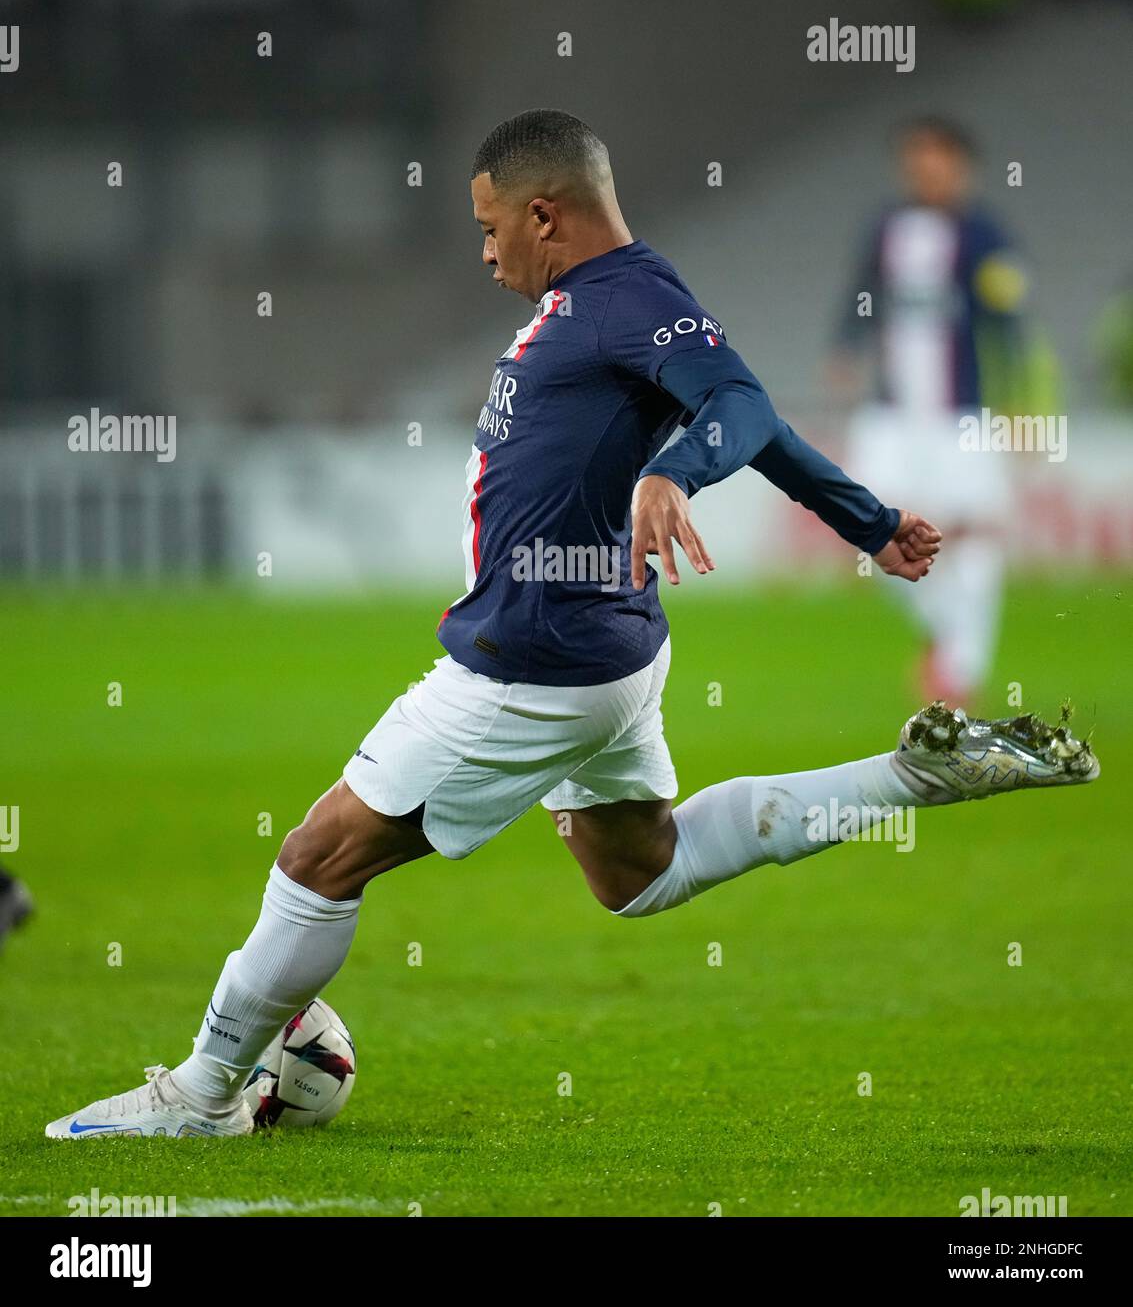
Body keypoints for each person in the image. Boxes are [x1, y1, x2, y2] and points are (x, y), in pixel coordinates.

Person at [47, 110, 1097, 1140]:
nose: (485, 246)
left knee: (317, 858)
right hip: (606, 652)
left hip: (529, 665)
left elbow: (734, 403)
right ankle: (908, 777)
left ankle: (202, 1092)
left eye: (489, 224)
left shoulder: (620, 300)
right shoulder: (625, 294)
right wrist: (863, 522)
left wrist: (669, 470)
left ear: (543, 214)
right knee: (636, 872)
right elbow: (759, 415)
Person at [829, 116, 1034, 705]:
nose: (924, 168)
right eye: (915, 157)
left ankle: (961, 668)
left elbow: (1009, 325)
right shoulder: (886, 228)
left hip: (959, 418)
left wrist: (1020, 406)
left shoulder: (986, 235)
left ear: (961, 166)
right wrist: (845, 347)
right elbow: (861, 295)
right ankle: (944, 634)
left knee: (973, 539)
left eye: (936, 157)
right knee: (865, 526)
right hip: (890, 415)